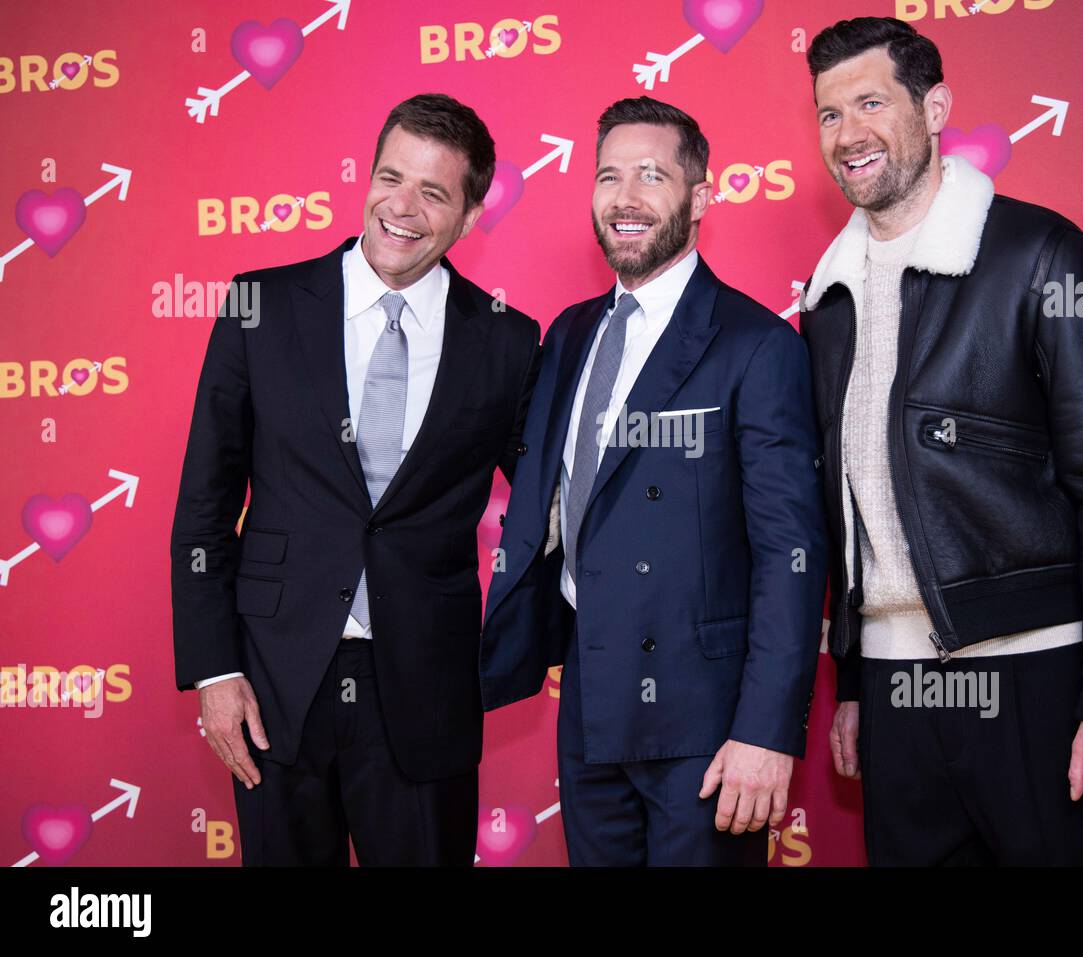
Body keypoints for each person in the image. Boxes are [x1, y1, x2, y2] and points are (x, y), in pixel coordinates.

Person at [799, 17, 1083, 865]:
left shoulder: (1046, 253)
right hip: (897, 694)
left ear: (935, 109)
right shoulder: (829, 301)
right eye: (827, 114)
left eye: (869, 102)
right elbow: (846, 507)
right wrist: (857, 679)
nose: (848, 134)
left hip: (1039, 677)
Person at [171, 93, 540, 866]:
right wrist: (215, 668)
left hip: (424, 689)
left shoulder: (508, 341)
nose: (400, 208)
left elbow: (550, 507)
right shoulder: (260, 307)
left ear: (471, 215)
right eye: (389, 178)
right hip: (273, 680)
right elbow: (205, 507)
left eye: (433, 193)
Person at [480, 97, 827, 866]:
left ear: (701, 197)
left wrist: (765, 731)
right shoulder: (567, 335)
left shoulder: (756, 345)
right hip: (589, 705)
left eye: (651, 175)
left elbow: (789, 554)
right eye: (608, 176)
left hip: (705, 728)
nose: (624, 198)